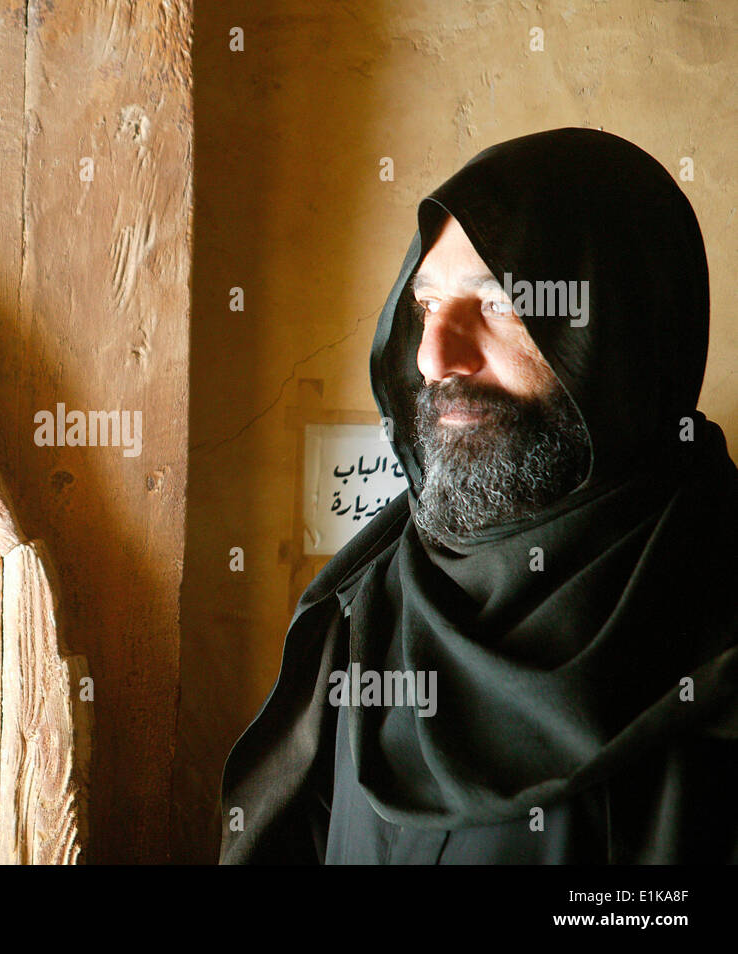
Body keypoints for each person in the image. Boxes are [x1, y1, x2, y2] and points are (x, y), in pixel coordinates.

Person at [219, 127, 738, 864]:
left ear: (623, 326)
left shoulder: (716, 627)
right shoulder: (363, 610)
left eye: (495, 304)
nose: (434, 357)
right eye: (426, 305)